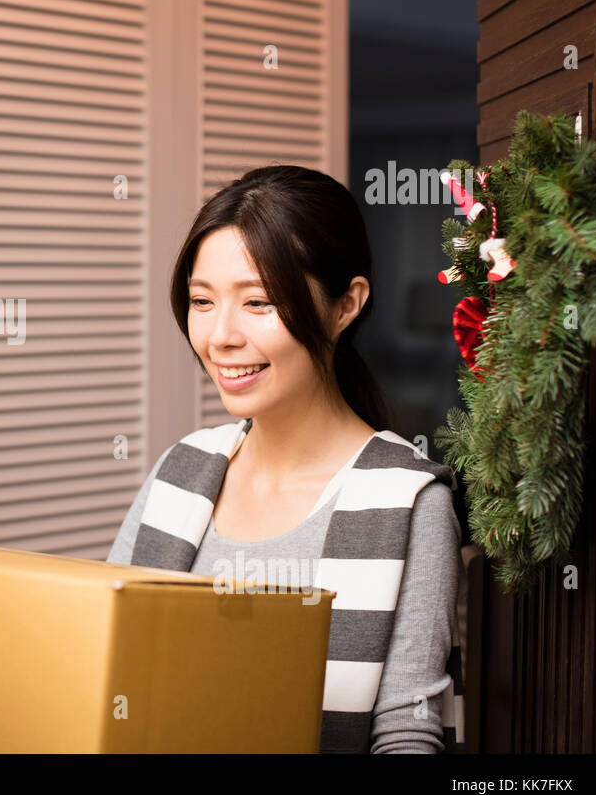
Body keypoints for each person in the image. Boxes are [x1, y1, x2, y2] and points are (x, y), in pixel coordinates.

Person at [107, 165, 466, 753]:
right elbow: (108, 662)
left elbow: (406, 733)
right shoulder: (181, 470)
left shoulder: (407, 501)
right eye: (202, 300)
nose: (220, 335)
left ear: (346, 305)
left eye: (259, 302)